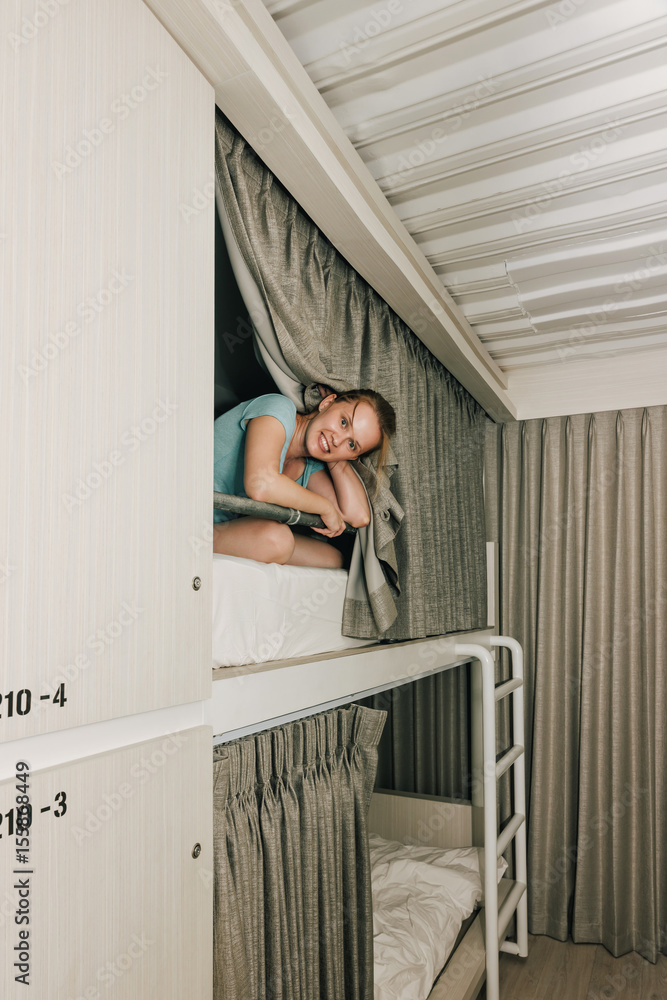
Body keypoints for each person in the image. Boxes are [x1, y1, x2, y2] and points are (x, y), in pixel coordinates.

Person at [212, 389, 396, 568]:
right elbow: (260, 484)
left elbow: (358, 516)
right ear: (326, 403)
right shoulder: (278, 407)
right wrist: (325, 507)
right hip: (188, 511)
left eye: (352, 444)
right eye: (343, 422)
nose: (337, 440)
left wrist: (338, 456)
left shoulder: (309, 468)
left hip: (216, 526)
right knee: (279, 540)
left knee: (331, 559)